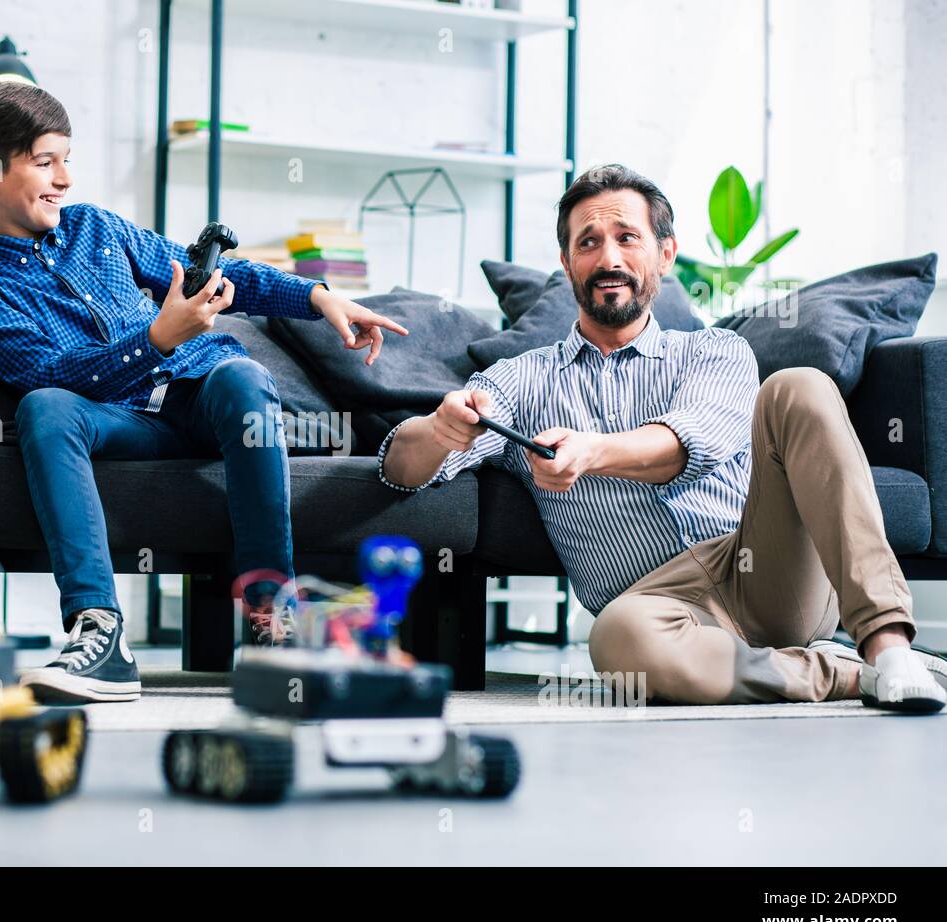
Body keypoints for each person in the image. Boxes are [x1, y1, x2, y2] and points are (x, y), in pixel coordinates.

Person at [380, 163, 946, 712]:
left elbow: (693, 441)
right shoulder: (519, 379)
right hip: (653, 607)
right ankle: (843, 673)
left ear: (664, 254)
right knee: (616, 640)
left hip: (760, 568)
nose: (609, 258)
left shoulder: (714, 351)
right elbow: (401, 470)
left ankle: (889, 650)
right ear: (567, 261)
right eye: (588, 242)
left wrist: (593, 451)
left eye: (628, 237)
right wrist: (438, 429)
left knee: (799, 385)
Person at [0, 81, 406, 702]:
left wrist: (319, 297)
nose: (65, 179)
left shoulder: (96, 229)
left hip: (199, 395)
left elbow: (209, 272)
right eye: (46, 162)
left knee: (243, 378)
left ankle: (274, 625)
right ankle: (98, 633)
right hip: (117, 418)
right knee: (44, 408)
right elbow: (47, 373)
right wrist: (154, 340)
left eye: (67, 160)